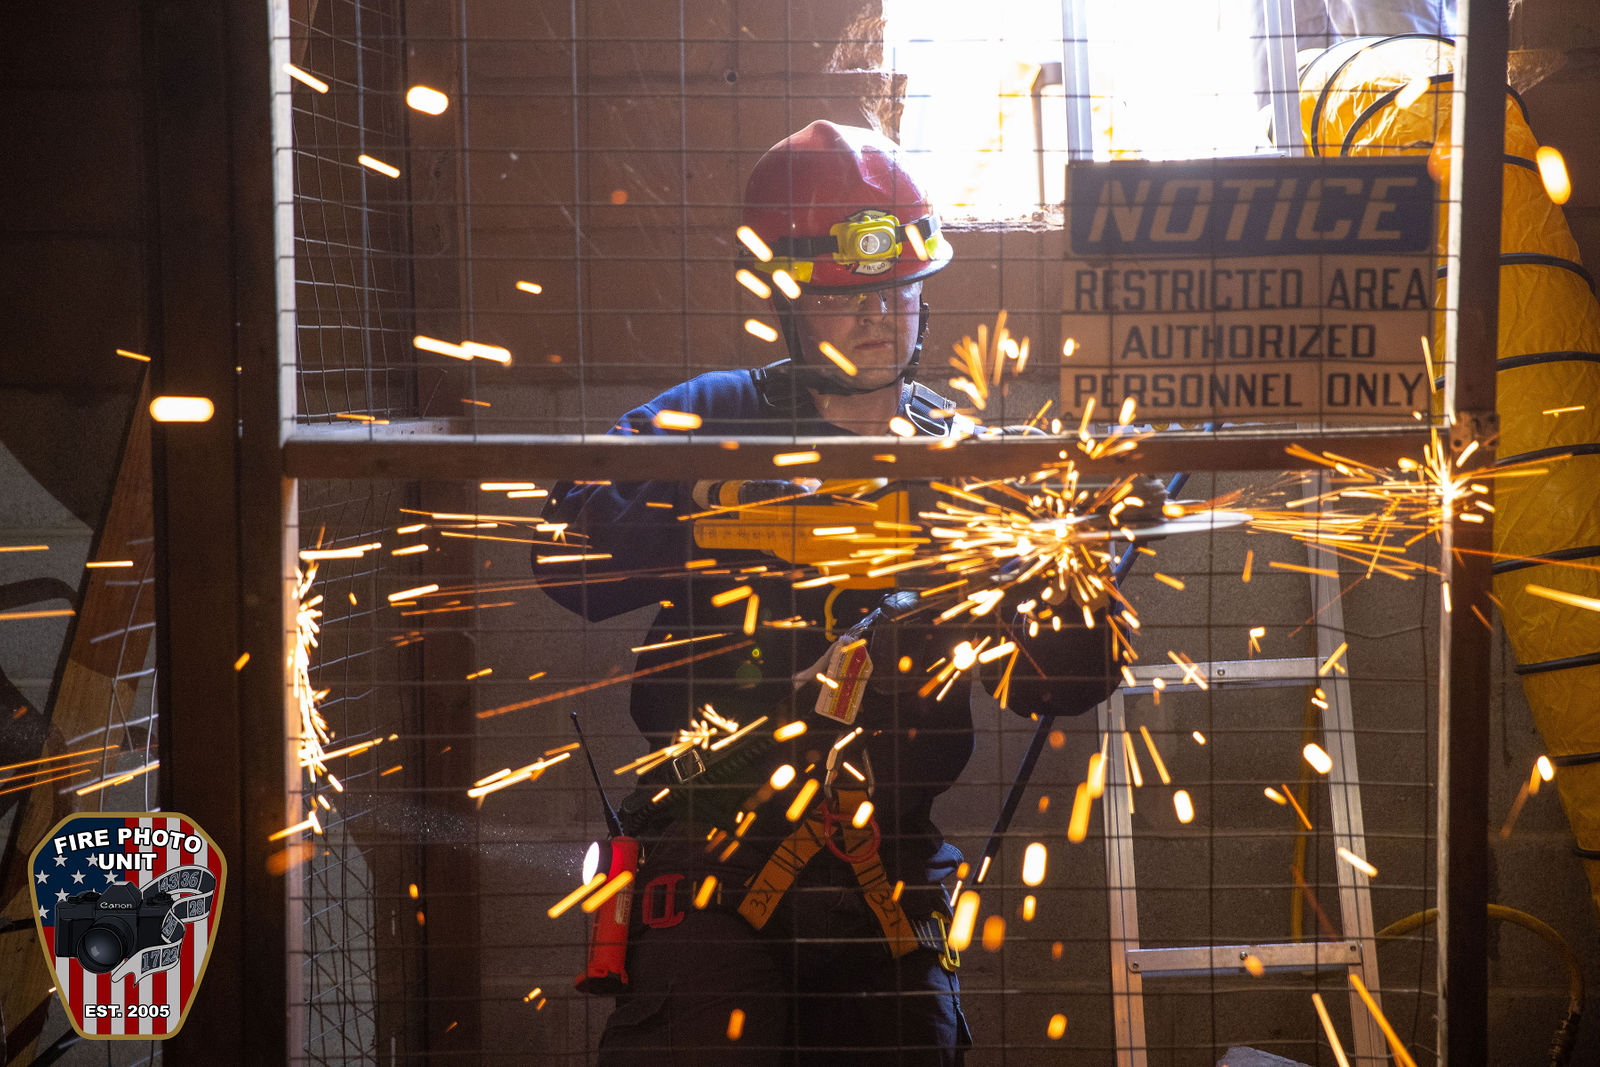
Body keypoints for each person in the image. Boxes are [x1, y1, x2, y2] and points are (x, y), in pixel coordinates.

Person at [539, 120, 1119, 1065]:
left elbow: (1057, 685)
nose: (878, 314)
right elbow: (562, 557)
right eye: (844, 295)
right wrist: (720, 520)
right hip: (712, 865)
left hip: (886, 878)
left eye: (897, 289)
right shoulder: (713, 415)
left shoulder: (968, 465)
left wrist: (1065, 580)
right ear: (787, 298)